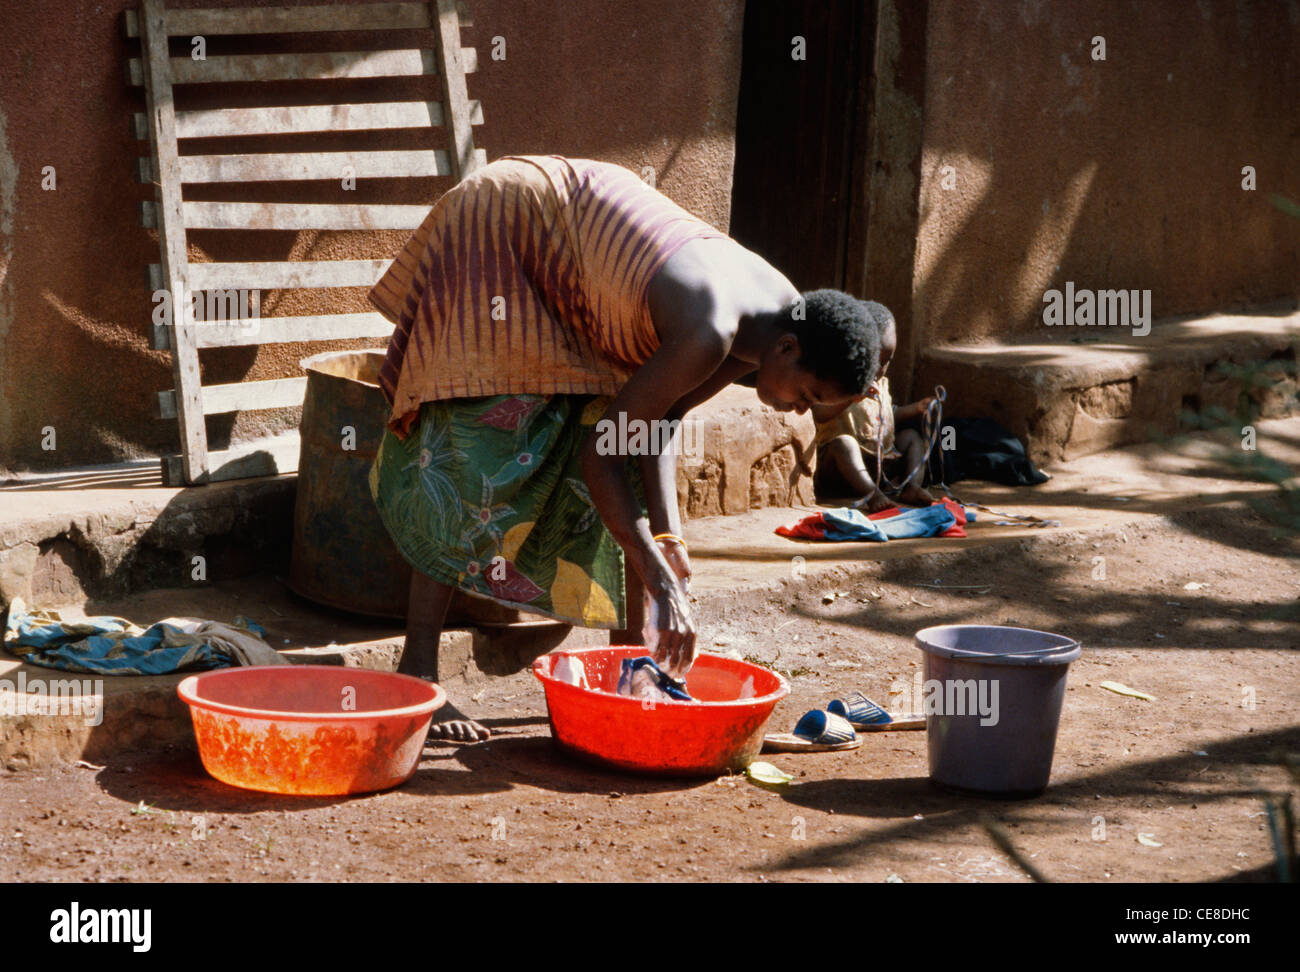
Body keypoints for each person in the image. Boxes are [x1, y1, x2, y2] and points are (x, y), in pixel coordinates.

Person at [368, 155, 882, 741]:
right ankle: (419, 676)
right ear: (788, 350)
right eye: (807, 396)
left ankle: (631, 674)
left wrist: (669, 541)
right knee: (473, 447)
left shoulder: (777, 319)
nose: (797, 413)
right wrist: (658, 577)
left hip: (574, 241)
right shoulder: (710, 330)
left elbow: (659, 423)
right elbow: (602, 455)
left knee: (629, 497)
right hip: (510, 221)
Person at [811, 305, 937, 512]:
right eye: (876, 361)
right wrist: (849, 398)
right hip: (838, 468)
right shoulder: (833, 382)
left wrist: (917, 408)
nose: (881, 369)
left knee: (912, 437)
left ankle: (911, 486)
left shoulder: (881, 383)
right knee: (844, 444)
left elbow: (888, 416)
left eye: (887, 361)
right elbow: (818, 414)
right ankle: (872, 494)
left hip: (879, 464)